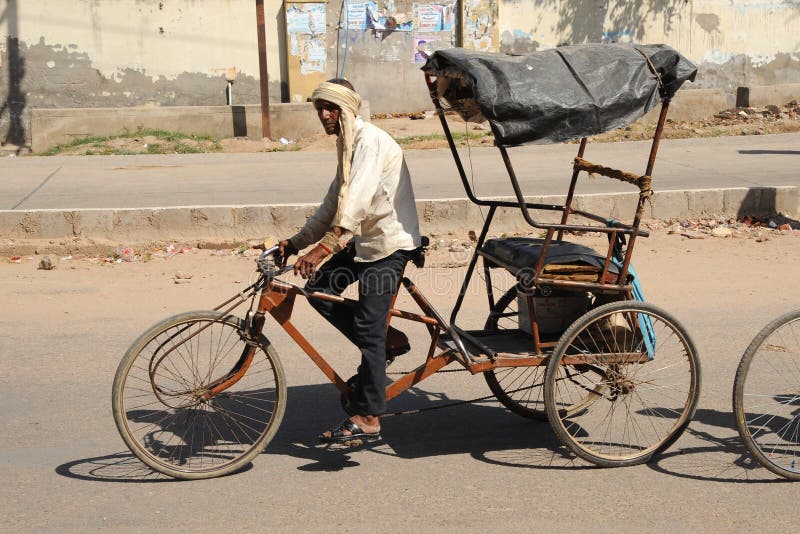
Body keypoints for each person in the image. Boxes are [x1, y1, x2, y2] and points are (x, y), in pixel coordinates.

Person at [275, 78, 421, 445]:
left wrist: (323, 249)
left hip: (391, 246)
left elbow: (354, 203)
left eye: (332, 108)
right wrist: (294, 243)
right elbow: (332, 205)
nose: (325, 115)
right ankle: (389, 342)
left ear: (348, 110)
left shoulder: (369, 141)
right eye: (320, 109)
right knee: (320, 289)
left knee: (369, 329)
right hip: (363, 243)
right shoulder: (349, 145)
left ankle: (370, 415)